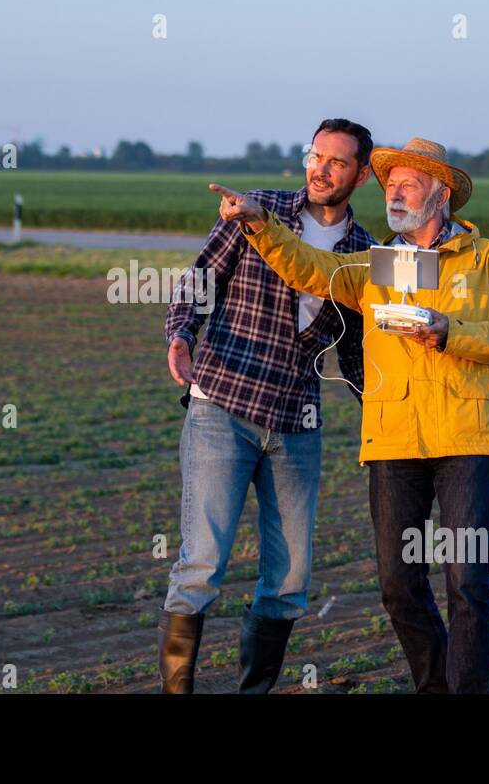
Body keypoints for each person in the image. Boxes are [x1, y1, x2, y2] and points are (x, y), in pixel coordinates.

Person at [209, 137, 489, 693]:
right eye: (389, 184)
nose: (394, 192)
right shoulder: (377, 263)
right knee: (397, 584)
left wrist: (449, 331)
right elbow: (312, 269)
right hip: (393, 440)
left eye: (407, 183)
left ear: (441, 195)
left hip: (469, 438)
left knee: (468, 581)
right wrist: (262, 225)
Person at [158, 119, 379, 693]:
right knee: (202, 566)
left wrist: (390, 410)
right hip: (222, 406)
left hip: (296, 423)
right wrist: (181, 335)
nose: (321, 169)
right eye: (315, 156)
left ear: (361, 173)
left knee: (288, 580)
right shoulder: (259, 211)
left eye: (337, 162)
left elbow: (355, 353)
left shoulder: (364, 253)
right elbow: (200, 278)